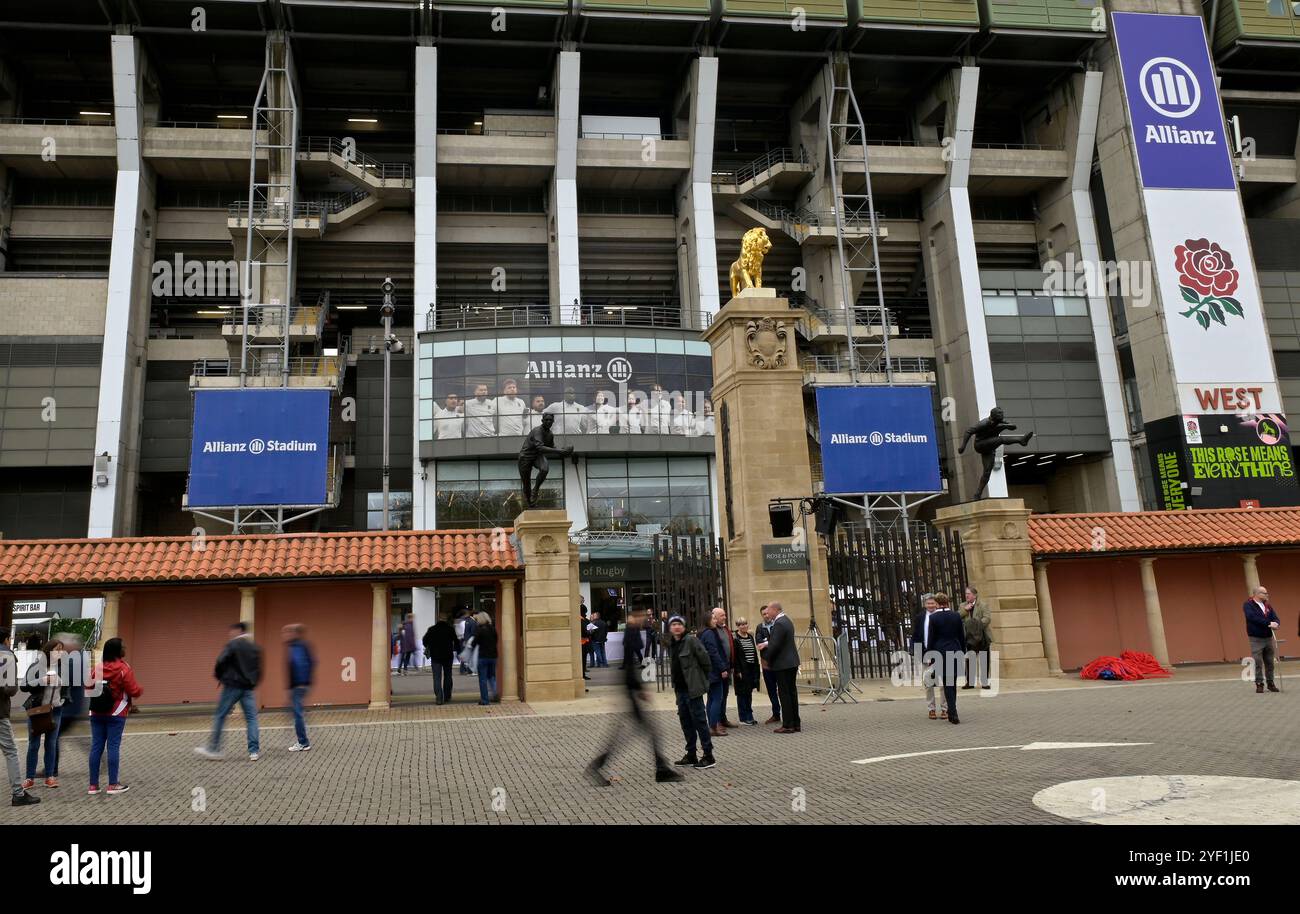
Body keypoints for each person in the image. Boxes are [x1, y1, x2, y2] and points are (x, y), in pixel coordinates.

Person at [588, 608, 683, 785]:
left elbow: (629, 662)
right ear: (632, 617)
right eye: (639, 616)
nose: (643, 619)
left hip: (630, 693)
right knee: (639, 734)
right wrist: (639, 689)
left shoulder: (631, 631)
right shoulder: (631, 631)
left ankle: (660, 769)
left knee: (625, 736)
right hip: (631, 694)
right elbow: (629, 665)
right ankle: (660, 770)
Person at [195, 621, 263, 761]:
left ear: (239, 630)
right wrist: (253, 682)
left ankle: (214, 749)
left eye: (232, 631)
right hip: (248, 687)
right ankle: (254, 751)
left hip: (232, 685)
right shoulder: (254, 648)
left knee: (220, 715)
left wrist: (221, 677)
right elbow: (259, 670)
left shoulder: (233, 645)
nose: (230, 633)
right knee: (251, 718)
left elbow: (220, 661)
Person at [87, 637, 143, 796]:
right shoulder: (124, 668)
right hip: (116, 712)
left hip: (96, 712)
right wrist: (140, 690)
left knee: (96, 746)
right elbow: (134, 691)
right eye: (123, 646)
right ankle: (112, 784)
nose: (125, 648)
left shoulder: (97, 667)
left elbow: (87, 685)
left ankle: (93, 785)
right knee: (113, 746)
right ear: (117, 650)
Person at [667, 615, 715, 770]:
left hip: (692, 689)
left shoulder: (691, 641)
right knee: (686, 722)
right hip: (680, 690)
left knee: (700, 721)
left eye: (679, 624)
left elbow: (705, 660)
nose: (676, 627)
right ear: (669, 628)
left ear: (684, 626)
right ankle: (691, 753)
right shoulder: (673, 643)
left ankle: (708, 755)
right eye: (673, 624)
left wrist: (702, 680)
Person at [21, 639, 68, 789]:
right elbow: (24, 686)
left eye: (62, 650)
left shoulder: (63, 668)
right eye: (57, 649)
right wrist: (42, 680)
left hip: (55, 710)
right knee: (33, 744)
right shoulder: (37, 666)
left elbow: (67, 689)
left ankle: (50, 776)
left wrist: (64, 700)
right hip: (38, 711)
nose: (60, 653)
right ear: (48, 651)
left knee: (51, 744)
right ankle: (29, 778)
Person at [1, 628, 40, 806]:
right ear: (7, 640)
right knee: (10, 751)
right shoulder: (7, 656)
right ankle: (18, 793)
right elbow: (10, 689)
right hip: (0, 712)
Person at [922, 593, 965, 725]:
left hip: (940, 652)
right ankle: (952, 711)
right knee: (952, 683)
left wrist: (930, 655)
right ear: (948, 602)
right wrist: (963, 651)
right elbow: (961, 635)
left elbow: (931, 639)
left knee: (947, 683)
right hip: (955, 650)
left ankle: (953, 712)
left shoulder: (934, 618)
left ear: (937, 603)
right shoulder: (956, 615)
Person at [758, 600, 800, 733]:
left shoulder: (780, 623)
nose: (767, 613)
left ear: (775, 610)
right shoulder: (786, 620)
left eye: (769, 610)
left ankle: (788, 725)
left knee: (785, 694)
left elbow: (774, 645)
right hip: (791, 662)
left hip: (783, 664)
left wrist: (766, 660)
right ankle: (795, 722)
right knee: (792, 693)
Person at [911, 594, 948, 719]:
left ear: (936, 603)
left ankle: (945, 708)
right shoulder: (920, 618)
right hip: (925, 653)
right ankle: (931, 708)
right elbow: (916, 635)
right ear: (924, 604)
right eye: (928, 603)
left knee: (943, 682)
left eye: (933, 603)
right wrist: (915, 651)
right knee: (928, 683)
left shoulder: (941, 616)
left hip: (941, 653)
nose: (931, 605)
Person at [699, 608, 733, 736]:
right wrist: (722, 668)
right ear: (708, 620)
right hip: (713, 671)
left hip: (709, 671)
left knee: (711, 699)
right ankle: (714, 726)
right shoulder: (709, 634)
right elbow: (714, 653)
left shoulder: (704, 633)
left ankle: (712, 725)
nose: (715, 620)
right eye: (713, 618)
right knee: (717, 698)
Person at [283, 624, 315, 752]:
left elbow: (298, 665)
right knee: (297, 713)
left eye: (287, 632)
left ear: (294, 633)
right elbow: (312, 662)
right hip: (300, 685)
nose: (284, 635)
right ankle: (302, 740)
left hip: (298, 685)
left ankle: (303, 742)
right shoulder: (302, 645)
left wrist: (299, 683)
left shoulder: (297, 646)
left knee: (297, 714)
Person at [1243, 585, 1281, 693]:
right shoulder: (1248, 605)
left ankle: (1270, 682)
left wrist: (1276, 624)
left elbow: (1275, 617)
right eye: (1265, 593)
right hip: (1256, 638)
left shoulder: (1268, 606)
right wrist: (1269, 623)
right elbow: (1252, 618)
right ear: (1257, 594)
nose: (1267, 595)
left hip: (1268, 637)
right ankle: (1259, 683)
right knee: (1257, 661)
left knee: (1270, 662)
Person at [959, 586, 993, 689]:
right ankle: (970, 682)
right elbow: (958, 617)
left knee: (984, 659)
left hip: (982, 636)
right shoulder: (962, 605)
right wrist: (965, 610)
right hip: (969, 637)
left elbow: (987, 618)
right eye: (966, 594)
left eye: (968, 594)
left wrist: (975, 626)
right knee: (970, 659)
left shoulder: (982, 605)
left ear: (974, 595)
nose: (967, 596)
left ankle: (984, 682)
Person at [755, 604, 781, 725]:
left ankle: (785, 713)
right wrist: (768, 642)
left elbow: (778, 642)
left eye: (767, 613)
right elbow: (759, 643)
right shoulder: (760, 627)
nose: (766, 615)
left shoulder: (777, 625)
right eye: (763, 614)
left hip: (779, 662)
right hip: (766, 663)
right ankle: (776, 714)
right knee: (771, 690)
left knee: (782, 689)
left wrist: (766, 643)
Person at [731, 616, 760, 726]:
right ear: (737, 626)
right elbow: (735, 657)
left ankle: (749, 715)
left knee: (749, 693)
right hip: (742, 669)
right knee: (742, 693)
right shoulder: (735, 639)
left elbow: (754, 653)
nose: (743, 626)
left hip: (751, 668)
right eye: (741, 624)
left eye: (745, 624)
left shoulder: (750, 637)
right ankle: (743, 717)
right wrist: (738, 671)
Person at [423, 618, 456, 705]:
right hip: (448, 656)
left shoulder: (432, 629)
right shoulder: (450, 629)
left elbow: (424, 641)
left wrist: (431, 645)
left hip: (436, 657)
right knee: (448, 676)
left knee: (437, 678)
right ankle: (447, 696)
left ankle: (439, 698)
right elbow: (456, 641)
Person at [474, 612, 499, 705]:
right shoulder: (493, 629)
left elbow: (475, 642)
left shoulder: (480, 630)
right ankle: (495, 692)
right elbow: (496, 640)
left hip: (483, 656)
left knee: (483, 679)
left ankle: (485, 700)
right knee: (492, 676)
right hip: (493, 656)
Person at [579, 604, 592, 680]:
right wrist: (589, 632)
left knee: (583, 660)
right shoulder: (583, 620)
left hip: (584, 643)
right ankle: (582, 674)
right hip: (583, 642)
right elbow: (588, 631)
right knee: (583, 660)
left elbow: (591, 630)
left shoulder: (584, 620)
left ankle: (583, 674)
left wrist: (589, 632)